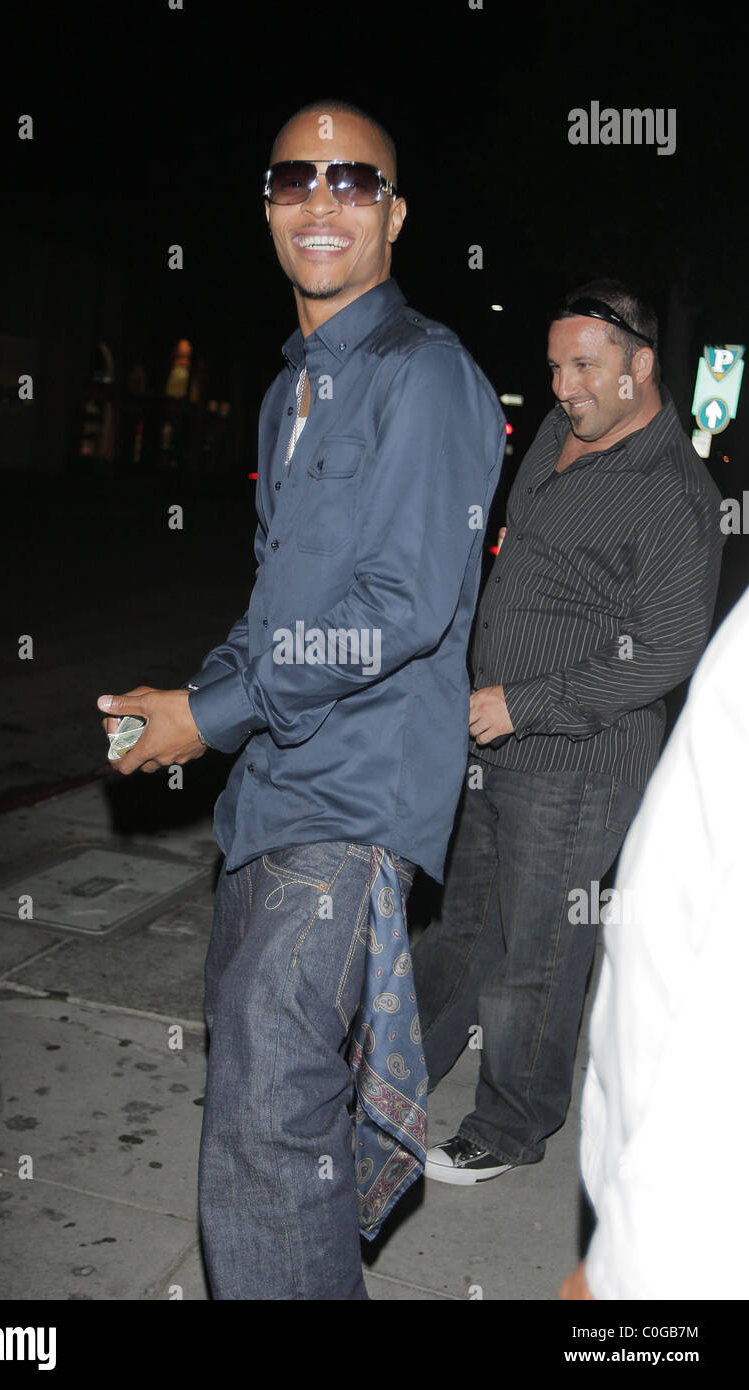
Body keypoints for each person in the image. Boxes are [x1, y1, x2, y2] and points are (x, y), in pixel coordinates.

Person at [97, 99, 505, 1298]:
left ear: (394, 214)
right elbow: (277, 608)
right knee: (285, 1137)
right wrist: (185, 703)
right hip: (271, 807)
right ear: (268, 208)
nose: (320, 200)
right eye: (293, 179)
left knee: (262, 1139)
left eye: (352, 180)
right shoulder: (289, 395)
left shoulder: (423, 374)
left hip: (350, 808)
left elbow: (400, 606)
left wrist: (213, 718)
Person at [413, 280, 725, 1186]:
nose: (563, 385)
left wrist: (526, 701)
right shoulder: (561, 433)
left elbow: (668, 651)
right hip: (489, 744)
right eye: (554, 366)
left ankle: (511, 1125)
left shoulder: (676, 493)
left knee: (539, 956)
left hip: (580, 762)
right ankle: (403, 1071)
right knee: (461, 928)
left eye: (584, 365)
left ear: (640, 365)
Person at [560, 579, 749, 1300]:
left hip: (681, 1259)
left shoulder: (665, 481)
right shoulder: (547, 459)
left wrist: (629, 1275)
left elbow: (729, 1013)